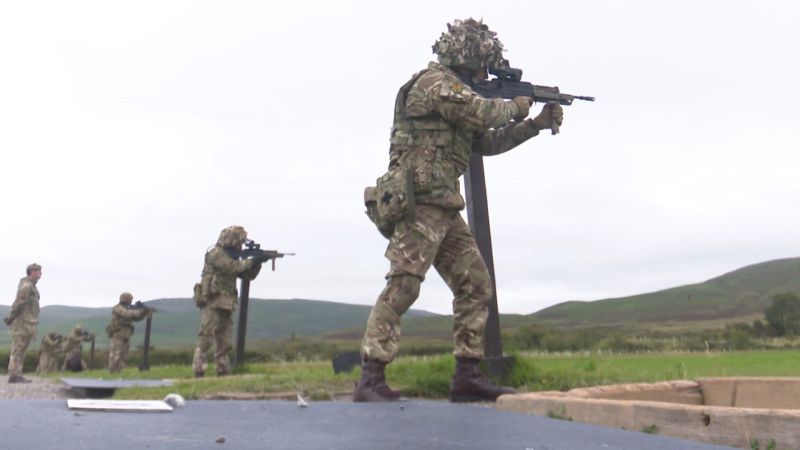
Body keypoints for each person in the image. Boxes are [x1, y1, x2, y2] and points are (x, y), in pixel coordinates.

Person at [356, 18, 564, 402]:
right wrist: (516, 105)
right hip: (419, 204)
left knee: (476, 283)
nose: (485, 71)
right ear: (466, 56)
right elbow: (485, 113)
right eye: (483, 63)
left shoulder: (462, 96)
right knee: (403, 285)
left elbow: (486, 144)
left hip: (444, 207)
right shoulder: (433, 84)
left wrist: (534, 124)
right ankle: (371, 376)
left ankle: (467, 375)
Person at [192, 225, 261, 377]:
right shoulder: (216, 253)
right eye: (238, 242)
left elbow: (246, 275)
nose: (240, 246)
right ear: (231, 240)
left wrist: (257, 263)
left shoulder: (233, 256)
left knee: (224, 338)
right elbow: (232, 268)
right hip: (212, 299)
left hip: (226, 301)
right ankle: (199, 369)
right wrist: (250, 260)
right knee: (206, 335)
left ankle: (222, 368)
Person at [4, 263, 43, 383]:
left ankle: (17, 374)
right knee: (18, 349)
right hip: (22, 323)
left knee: (22, 349)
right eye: (38, 271)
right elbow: (18, 303)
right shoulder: (26, 286)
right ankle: (14, 375)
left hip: (28, 323)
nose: (41, 273)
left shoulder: (31, 286)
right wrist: (10, 318)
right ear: (32, 272)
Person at [106, 292, 151, 373]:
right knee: (116, 354)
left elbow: (136, 318)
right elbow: (128, 314)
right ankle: (113, 371)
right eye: (130, 299)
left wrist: (143, 312)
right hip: (117, 334)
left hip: (125, 335)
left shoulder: (127, 308)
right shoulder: (118, 308)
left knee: (123, 354)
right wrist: (141, 310)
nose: (131, 301)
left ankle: (119, 370)